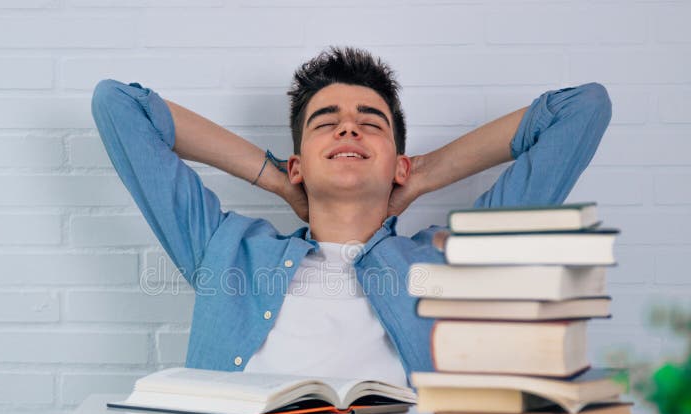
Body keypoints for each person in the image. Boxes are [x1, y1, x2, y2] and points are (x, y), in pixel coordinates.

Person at [91, 46, 611, 387]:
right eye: (326, 123)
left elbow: (582, 109)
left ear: (397, 162)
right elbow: (118, 105)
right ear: (299, 162)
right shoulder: (226, 250)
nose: (348, 130)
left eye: (370, 123)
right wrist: (277, 179)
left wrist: (422, 174)